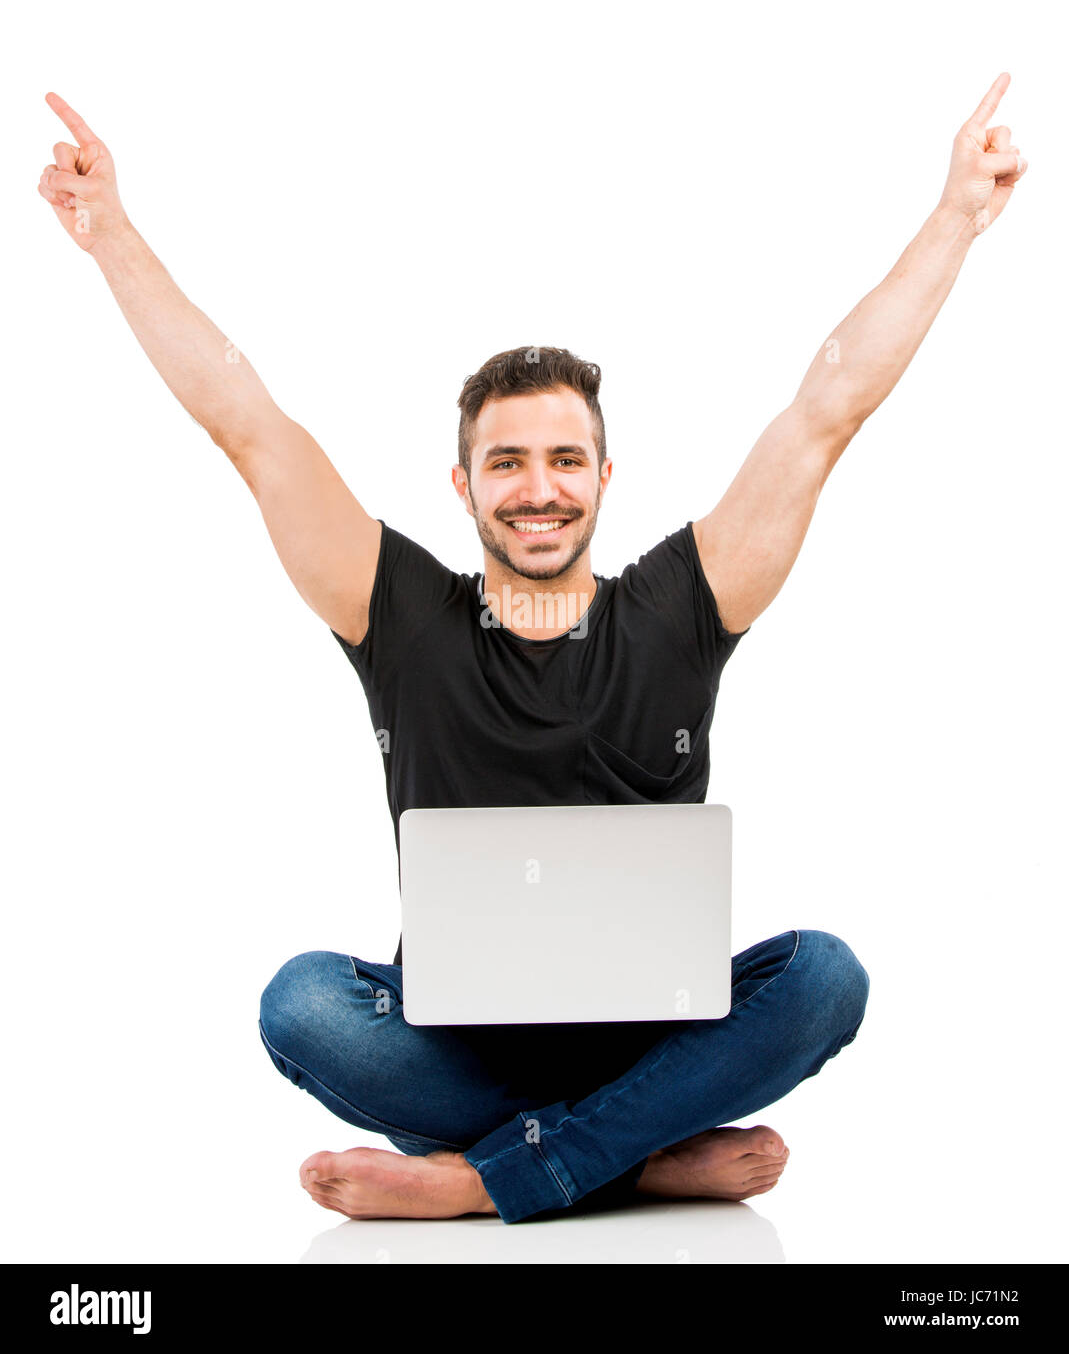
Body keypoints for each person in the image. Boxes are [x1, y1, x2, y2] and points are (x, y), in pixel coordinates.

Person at [38, 77, 1026, 1225]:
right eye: (506, 462)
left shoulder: (681, 606)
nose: (538, 489)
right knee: (300, 1005)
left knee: (824, 979)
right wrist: (109, 234)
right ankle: (637, 1155)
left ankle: (484, 1177)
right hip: (462, 1055)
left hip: (658, 1036)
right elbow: (247, 423)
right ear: (464, 486)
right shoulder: (398, 615)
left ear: (604, 479)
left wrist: (956, 214)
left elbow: (826, 407)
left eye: (565, 459)